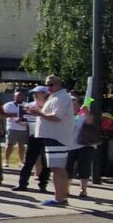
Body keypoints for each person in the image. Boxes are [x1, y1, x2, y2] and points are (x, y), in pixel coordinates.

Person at [33, 75, 75, 206]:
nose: (48, 87)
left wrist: (39, 113)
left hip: (56, 137)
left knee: (57, 169)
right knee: (58, 168)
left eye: (51, 85)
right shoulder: (55, 97)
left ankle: (59, 198)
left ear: (58, 84)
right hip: (53, 137)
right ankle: (61, 196)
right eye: (46, 85)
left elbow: (57, 117)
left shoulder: (61, 97)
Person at [13, 86, 51, 193]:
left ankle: (43, 185)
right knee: (29, 161)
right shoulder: (28, 106)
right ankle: (22, 183)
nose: (35, 95)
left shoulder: (49, 106)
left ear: (45, 94)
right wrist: (20, 121)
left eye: (38, 93)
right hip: (33, 136)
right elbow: (26, 121)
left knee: (46, 162)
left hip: (46, 136)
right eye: (34, 94)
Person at [66, 106, 97, 199]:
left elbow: (90, 122)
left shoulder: (83, 115)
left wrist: (86, 111)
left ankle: (83, 189)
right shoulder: (66, 115)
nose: (72, 104)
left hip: (85, 144)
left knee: (84, 167)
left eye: (74, 101)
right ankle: (66, 188)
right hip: (70, 145)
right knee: (68, 168)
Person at [3, 89, 30, 167]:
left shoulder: (26, 105)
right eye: (17, 96)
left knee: (22, 145)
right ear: (14, 96)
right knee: (10, 144)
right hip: (12, 128)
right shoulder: (8, 105)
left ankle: (21, 161)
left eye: (21, 95)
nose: (19, 97)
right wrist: (15, 116)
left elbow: (29, 116)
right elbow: (3, 114)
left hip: (23, 128)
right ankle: (6, 160)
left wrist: (24, 120)